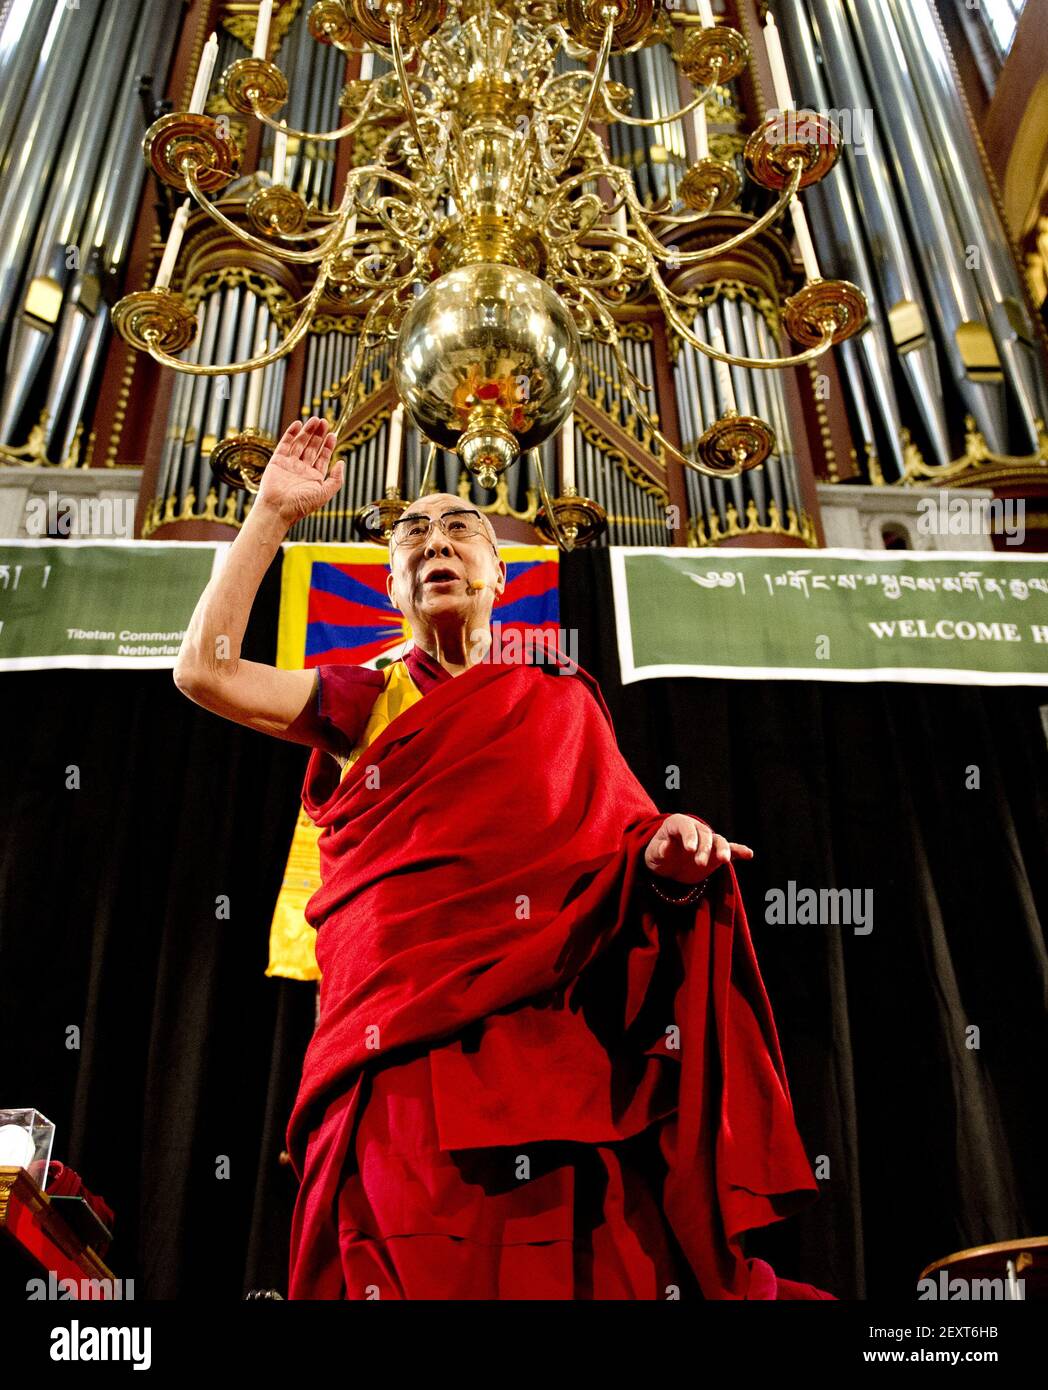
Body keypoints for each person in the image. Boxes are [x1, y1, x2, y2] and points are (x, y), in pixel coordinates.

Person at [174, 416, 834, 1301]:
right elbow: (204, 672)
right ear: (394, 589)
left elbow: (629, 851)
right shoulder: (367, 699)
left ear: (499, 576)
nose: (435, 541)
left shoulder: (558, 704)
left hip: (552, 1057)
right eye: (413, 533)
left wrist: (673, 854)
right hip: (397, 1054)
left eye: (461, 530)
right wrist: (270, 514)